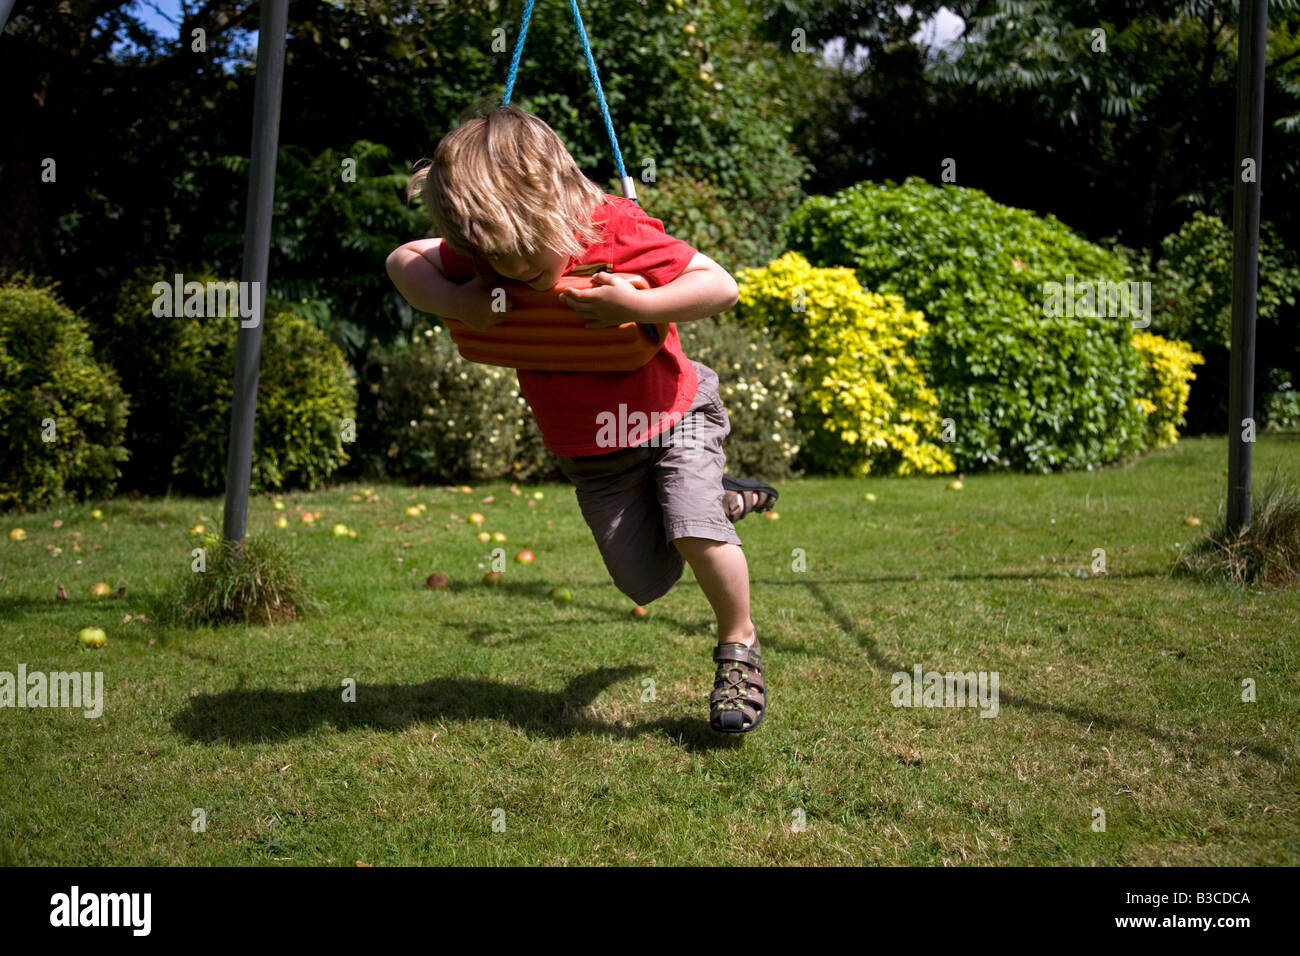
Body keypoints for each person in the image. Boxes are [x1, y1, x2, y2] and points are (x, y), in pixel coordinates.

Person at [386, 102, 777, 733]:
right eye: (496, 258)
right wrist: (457, 297)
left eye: (521, 250)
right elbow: (403, 259)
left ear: (553, 198)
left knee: (692, 527)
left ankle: (739, 645)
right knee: (643, 581)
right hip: (592, 450)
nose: (513, 270)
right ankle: (723, 504)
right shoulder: (489, 250)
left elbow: (721, 286)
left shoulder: (613, 229)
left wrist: (637, 303)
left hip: (675, 412)